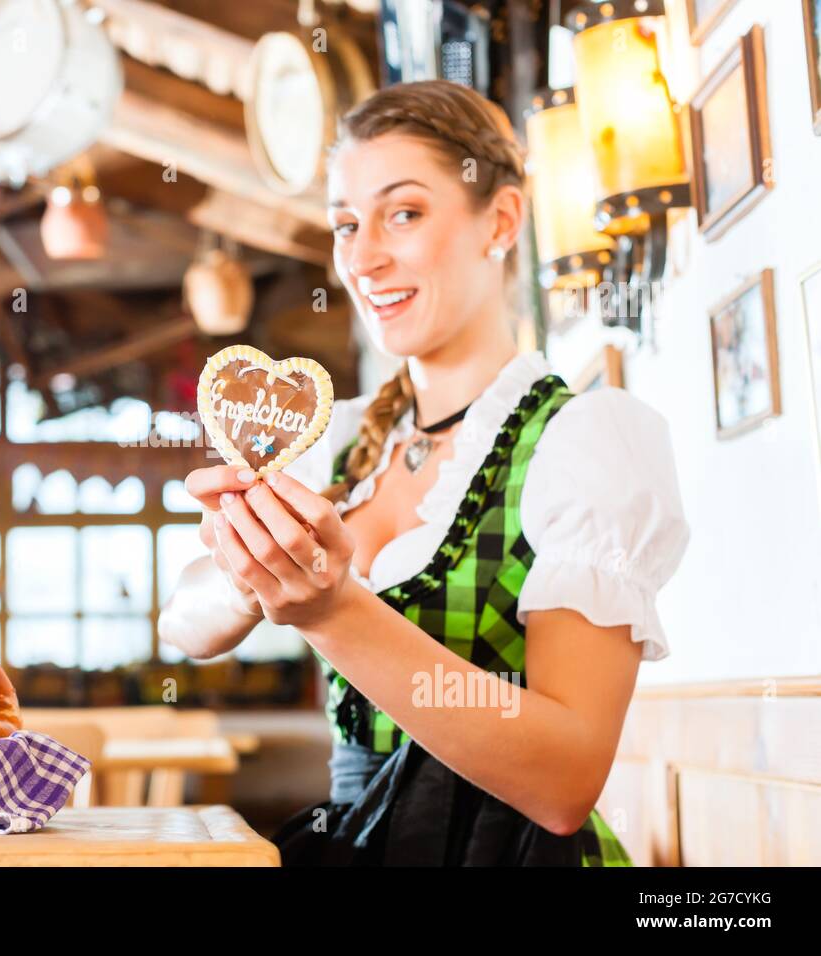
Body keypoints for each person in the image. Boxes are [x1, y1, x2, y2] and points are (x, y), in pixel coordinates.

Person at [158, 80, 690, 866]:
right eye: (346, 223)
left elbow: (565, 781)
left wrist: (333, 611)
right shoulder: (340, 440)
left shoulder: (583, 441)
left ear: (500, 221)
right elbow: (180, 625)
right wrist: (248, 569)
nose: (362, 257)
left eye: (403, 213)